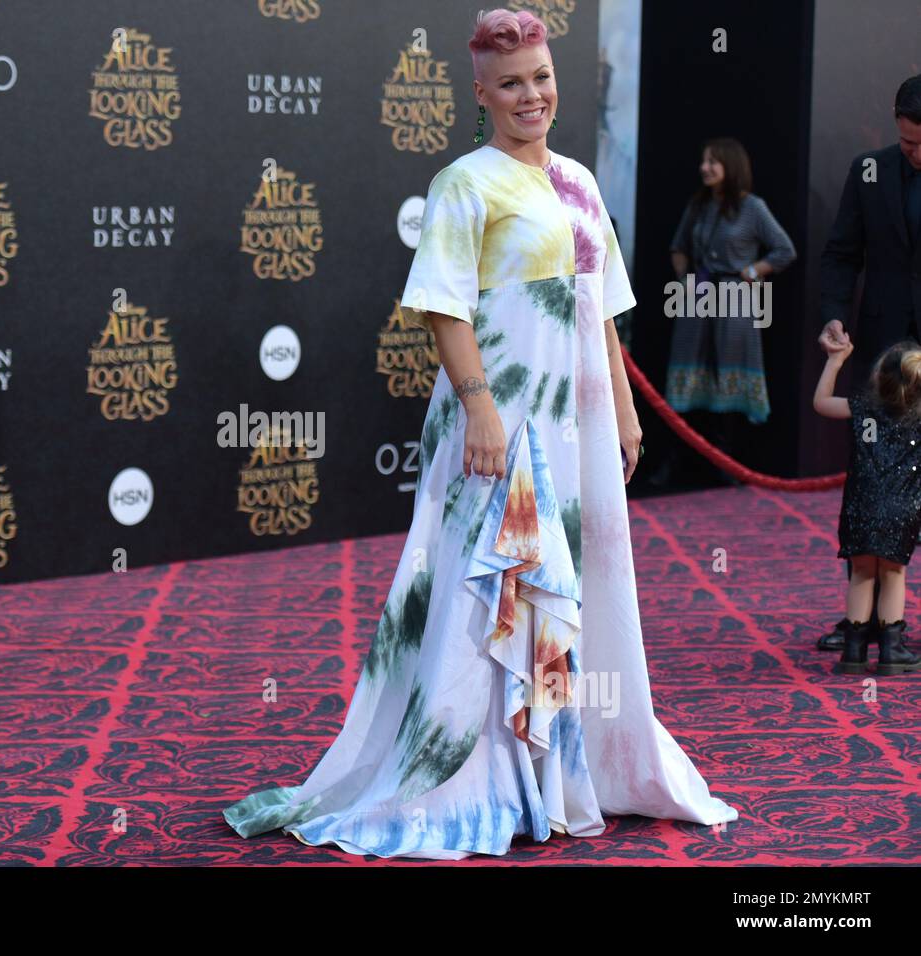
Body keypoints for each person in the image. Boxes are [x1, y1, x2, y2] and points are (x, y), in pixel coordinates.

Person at [221, 8, 737, 860]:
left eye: (539, 77)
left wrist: (627, 407)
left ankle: (563, 771)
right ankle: (472, 771)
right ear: (482, 95)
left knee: (571, 588)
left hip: (576, 426)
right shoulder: (464, 182)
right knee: (482, 590)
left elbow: (600, 310)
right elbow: (442, 306)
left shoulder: (579, 181)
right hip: (500, 416)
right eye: (510, 84)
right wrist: (480, 410)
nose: (530, 94)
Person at [817, 73, 921, 652]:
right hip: (883, 352)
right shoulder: (870, 171)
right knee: (874, 482)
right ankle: (865, 620)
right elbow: (840, 254)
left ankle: (893, 621)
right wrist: (834, 316)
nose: (915, 154)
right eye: (908, 144)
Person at [654, 138, 796, 487]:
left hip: (734, 302)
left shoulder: (753, 208)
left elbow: (784, 250)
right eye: (703, 161)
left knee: (726, 381)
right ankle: (675, 463)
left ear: (730, 166)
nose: (704, 168)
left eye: (713, 162)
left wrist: (751, 272)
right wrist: (685, 279)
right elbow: (678, 246)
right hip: (698, 299)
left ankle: (726, 466)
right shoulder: (698, 205)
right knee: (687, 379)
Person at [812, 334, 921, 675]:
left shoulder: (862, 408)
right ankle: (892, 650)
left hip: (860, 507)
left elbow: (821, 403)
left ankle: (854, 651)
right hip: (902, 511)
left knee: (860, 573)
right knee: (893, 574)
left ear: (878, 377)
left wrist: (834, 360)